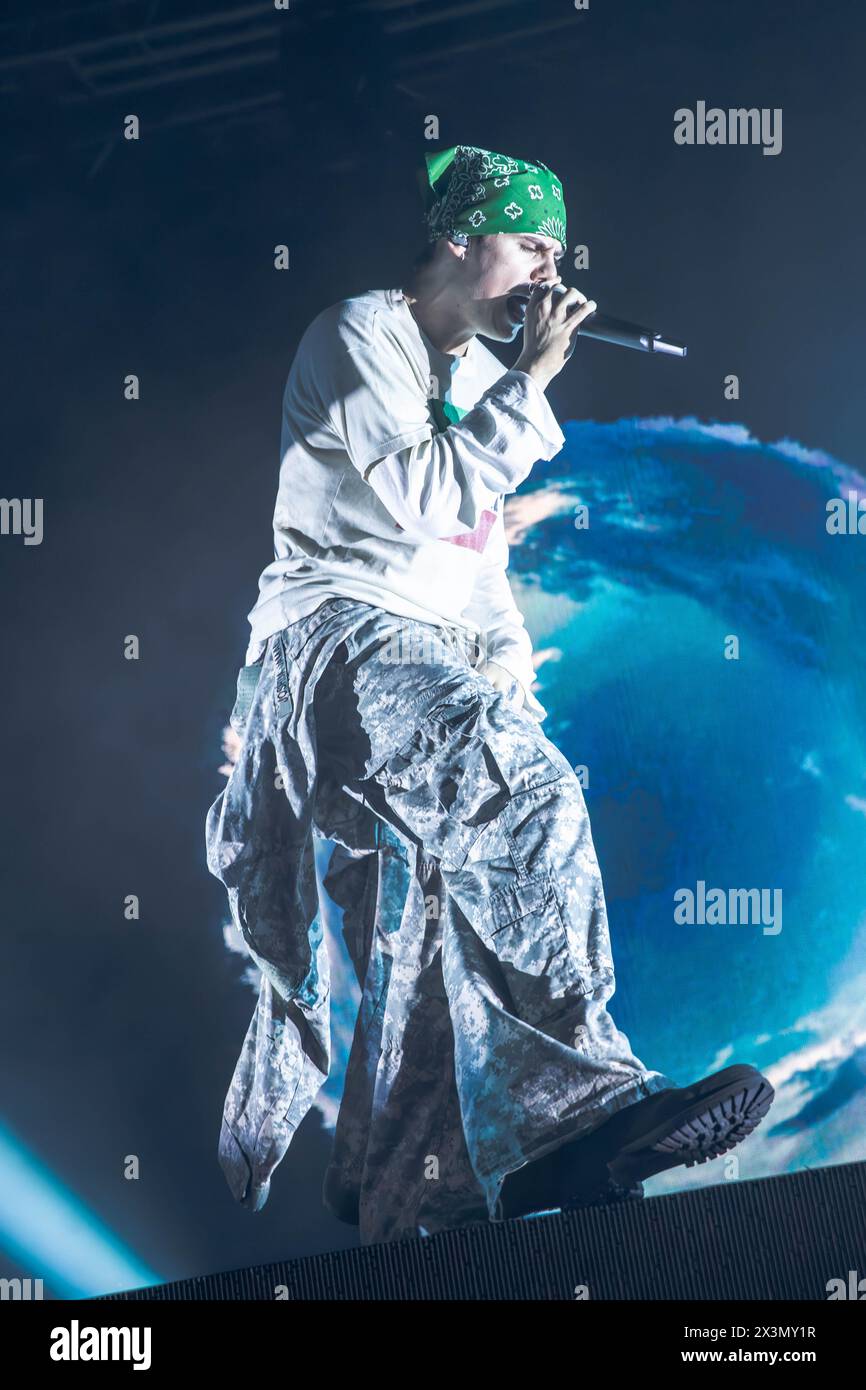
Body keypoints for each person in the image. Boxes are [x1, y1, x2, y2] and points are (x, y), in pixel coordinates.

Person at [205, 144, 774, 1245]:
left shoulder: (473, 384)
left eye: (557, 252)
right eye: (528, 245)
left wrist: (505, 673)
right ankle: (590, 1101)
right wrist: (530, 387)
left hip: (423, 655)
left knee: (425, 939)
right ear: (462, 239)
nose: (546, 273)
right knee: (530, 800)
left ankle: (425, 1200)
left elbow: (473, 570)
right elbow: (422, 496)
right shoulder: (361, 332)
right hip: (334, 644)